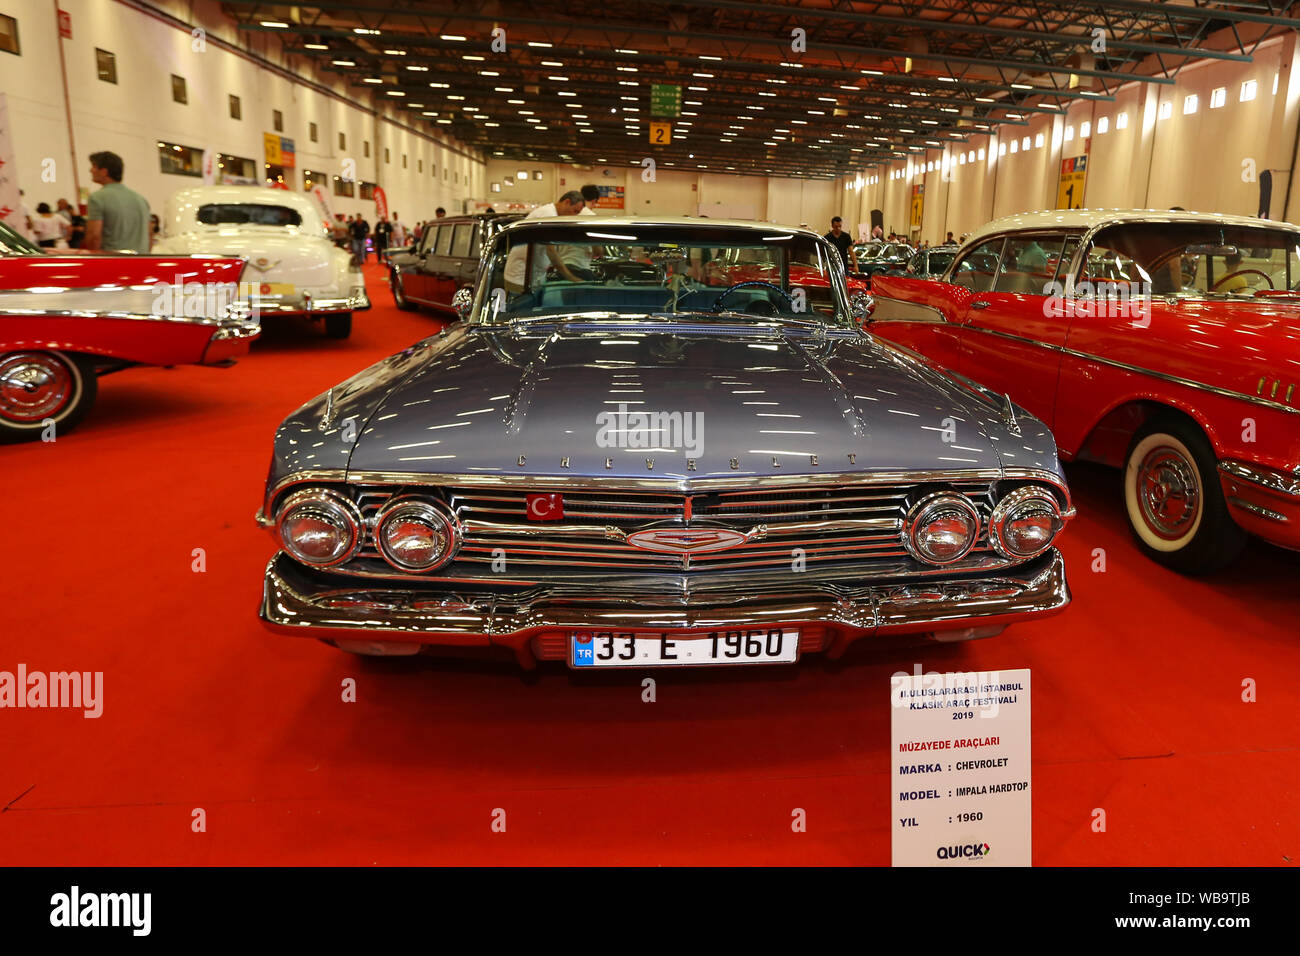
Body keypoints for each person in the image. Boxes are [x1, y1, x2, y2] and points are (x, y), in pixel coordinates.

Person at [503, 190, 586, 292]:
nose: (575, 216)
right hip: (521, 277)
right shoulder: (548, 215)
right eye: (575, 211)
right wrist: (571, 278)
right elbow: (551, 252)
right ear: (567, 202)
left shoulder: (554, 216)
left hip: (534, 277)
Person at [84, 151, 151, 252]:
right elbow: (149, 235)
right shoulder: (141, 199)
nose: (90, 170)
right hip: (142, 261)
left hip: (113, 262)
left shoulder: (97, 198)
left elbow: (94, 236)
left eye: (94, 166)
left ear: (104, 171)